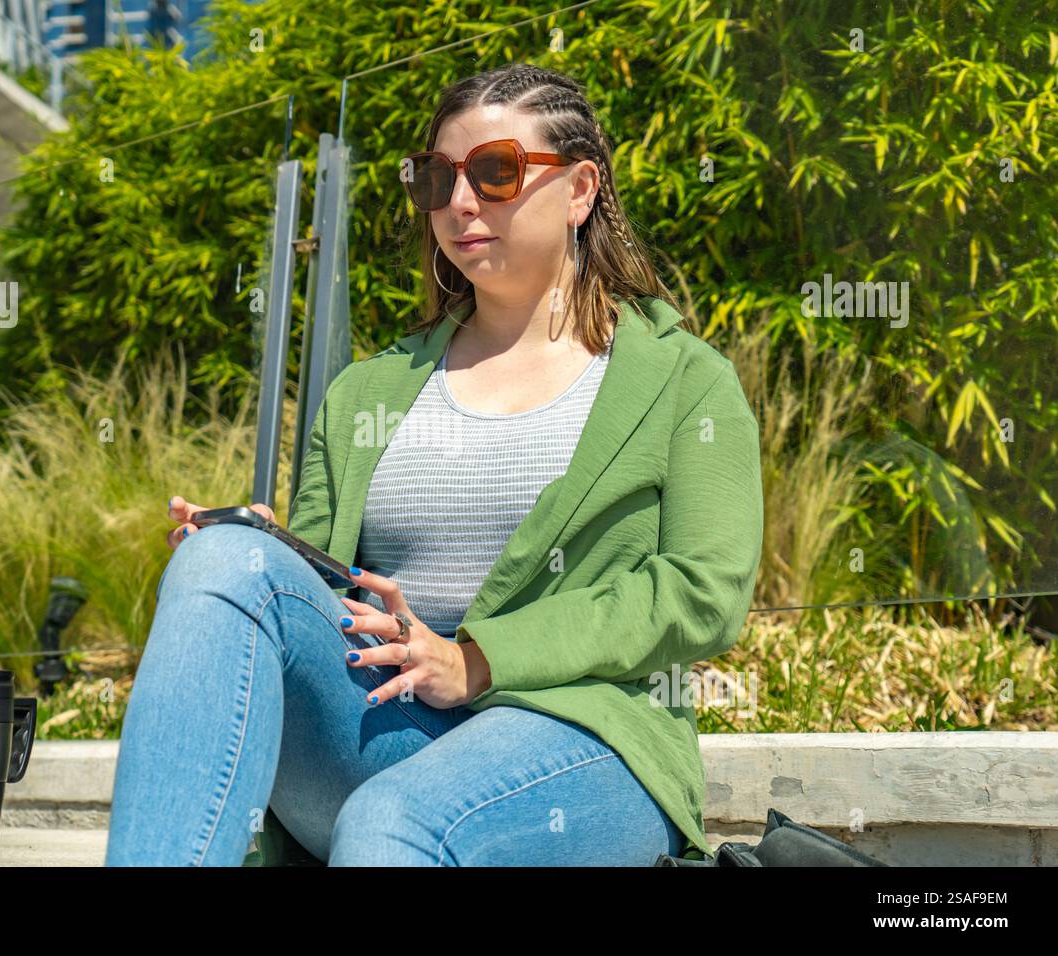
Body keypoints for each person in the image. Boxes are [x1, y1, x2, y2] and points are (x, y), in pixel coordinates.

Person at [105, 62, 763, 866]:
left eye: (494, 173)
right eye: (437, 177)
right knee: (226, 559)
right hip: (390, 723)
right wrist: (276, 557)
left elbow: (704, 593)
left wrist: (477, 661)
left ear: (582, 188)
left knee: (397, 820)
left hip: (584, 736)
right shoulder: (366, 392)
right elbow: (335, 595)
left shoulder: (681, 381)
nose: (458, 204)